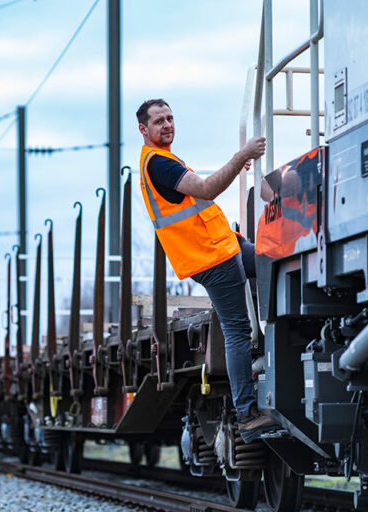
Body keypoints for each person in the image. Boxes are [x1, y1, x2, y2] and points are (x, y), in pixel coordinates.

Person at [136, 98, 278, 443]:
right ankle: (247, 415)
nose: (167, 125)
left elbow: (198, 202)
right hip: (212, 260)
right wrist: (242, 155)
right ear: (144, 130)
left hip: (224, 246)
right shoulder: (158, 164)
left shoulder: (167, 160)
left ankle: (277, 349)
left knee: (271, 260)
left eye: (170, 117)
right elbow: (207, 189)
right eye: (159, 121)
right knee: (237, 332)